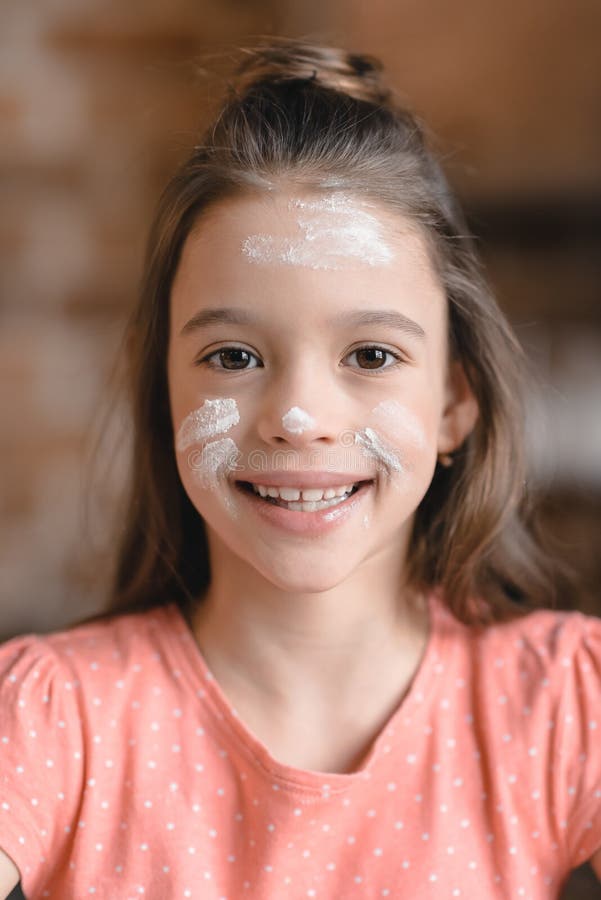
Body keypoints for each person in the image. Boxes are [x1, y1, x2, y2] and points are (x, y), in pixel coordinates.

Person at [0, 35, 599, 900]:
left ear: (452, 403)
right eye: (235, 357)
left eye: (369, 355)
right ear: (162, 387)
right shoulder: (51, 719)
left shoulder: (562, 706)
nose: (296, 418)